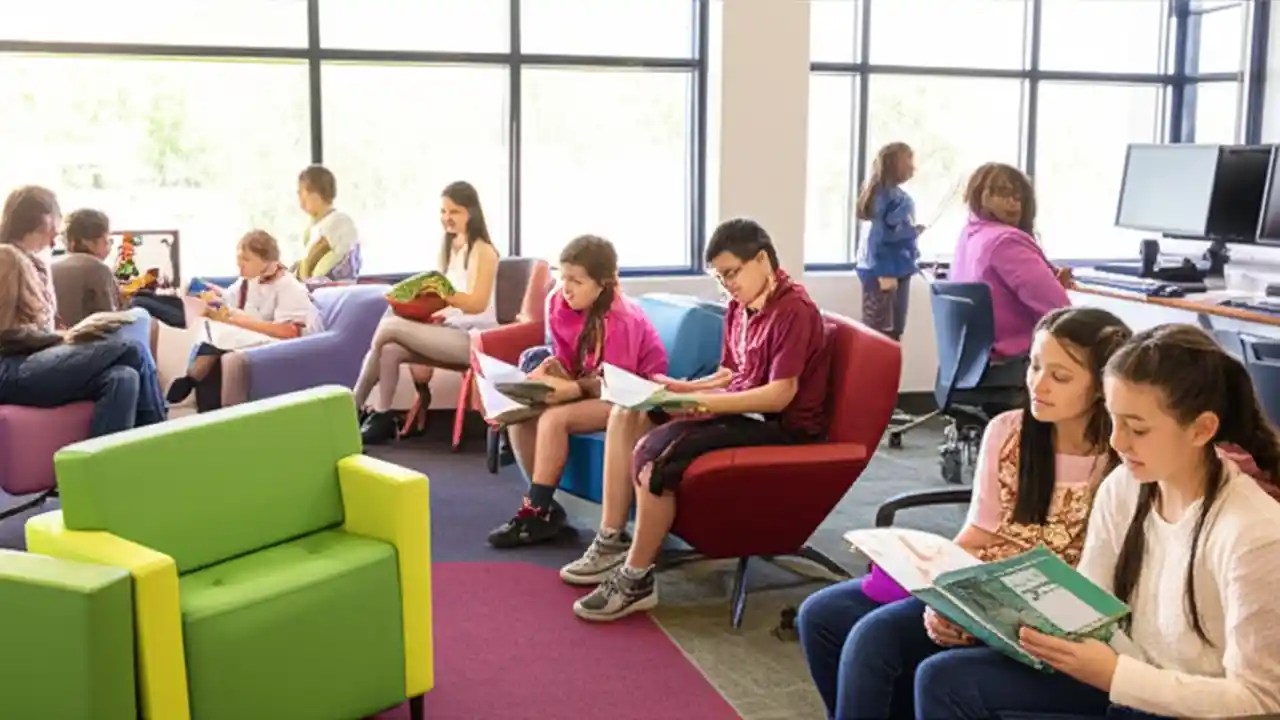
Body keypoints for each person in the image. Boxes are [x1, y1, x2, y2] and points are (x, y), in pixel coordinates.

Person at [914, 324, 1280, 720]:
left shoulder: (1253, 534)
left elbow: (1261, 701)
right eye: (1113, 419)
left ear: (1202, 429)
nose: (1117, 442)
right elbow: (1087, 606)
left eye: (1137, 428)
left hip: (1181, 702)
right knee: (942, 678)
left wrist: (1115, 675)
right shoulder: (1125, 485)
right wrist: (981, 616)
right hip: (1123, 680)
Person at [795, 306, 1132, 720]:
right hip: (984, 586)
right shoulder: (1009, 431)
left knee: (875, 638)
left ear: (1102, 386)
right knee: (822, 614)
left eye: (1060, 377)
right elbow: (979, 533)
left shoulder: (1124, 460)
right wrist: (944, 595)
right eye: (1034, 366)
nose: (1038, 385)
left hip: (1045, 614)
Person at [562, 218, 831, 622]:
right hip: (740, 406)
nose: (727, 285)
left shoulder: (793, 309)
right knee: (627, 413)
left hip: (776, 425)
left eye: (732, 273)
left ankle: (636, 578)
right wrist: (680, 389)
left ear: (762, 260)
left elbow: (780, 394)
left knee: (657, 459)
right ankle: (611, 539)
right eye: (720, 277)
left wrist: (706, 405)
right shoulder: (741, 307)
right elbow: (729, 372)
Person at [487, 235, 668, 548]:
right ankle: (546, 507)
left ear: (603, 284)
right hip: (593, 386)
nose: (565, 287)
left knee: (555, 420)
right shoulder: (559, 302)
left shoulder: (622, 319)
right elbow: (570, 360)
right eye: (562, 276)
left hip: (634, 397)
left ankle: (534, 511)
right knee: (521, 414)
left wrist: (571, 389)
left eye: (576, 280)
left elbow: (616, 385)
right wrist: (549, 370)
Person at [355, 180, 499, 445]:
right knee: (389, 347)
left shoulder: (484, 251)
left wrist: (444, 294)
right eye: (443, 212)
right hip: (450, 330)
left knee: (389, 328)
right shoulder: (451, 249)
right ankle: (382, 414)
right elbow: (451, 303)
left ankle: (352, 408)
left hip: (475, 340)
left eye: (454, 212)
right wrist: (430, 306)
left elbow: (477, 304)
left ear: (472, 212)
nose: (447, 218)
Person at [0, 245, 165, 436]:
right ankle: (162, 442)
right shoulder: (7, 258)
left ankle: (104, 464)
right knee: (130, 349)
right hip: (9, 371)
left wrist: (65, 336)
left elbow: (22, 339)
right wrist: (61, 337)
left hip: (21, 365)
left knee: (123, 377)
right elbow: (10, 338)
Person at [167, 230, 320, 412]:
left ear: (267, 261)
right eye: (239, 258)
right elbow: (230, 299)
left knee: (222, 335)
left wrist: (238, 322)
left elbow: (290, 332)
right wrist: (210, 296)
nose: (239, 264)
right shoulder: (249, 281)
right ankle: (195, 387)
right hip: (255, 335)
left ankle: (193, 379)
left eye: (245, 259)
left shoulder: (288, 287)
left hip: (283, 344)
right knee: (211, 329)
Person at [949, 163, 1071, 360]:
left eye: (1018, 197)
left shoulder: (971, 234)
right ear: (982, 196)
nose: (1013, 203)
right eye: (1003, 194)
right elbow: (1060, 312)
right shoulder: (1007, 241)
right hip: (1014, 364)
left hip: (974, 365)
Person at [855, 142, 924, 342]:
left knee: (887, 332)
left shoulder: (883, 194)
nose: (913, 168)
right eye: (909, 162)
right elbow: (880, 236)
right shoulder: (886, 196)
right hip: (886, 272)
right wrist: (883, 272)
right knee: (883, 334)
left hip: (890, 269)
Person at [52, 208, 121, 326]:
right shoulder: (99, 269)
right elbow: (109, 318)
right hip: (85, 339)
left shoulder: (52, 265)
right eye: (107, 239)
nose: (108, 245)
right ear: (90, 242)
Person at [294, 165, 361, 284]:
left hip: (333, 292)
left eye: (301, 192)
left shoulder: (338, 222)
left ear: (315, 194)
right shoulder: (314, 227)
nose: (299, 198)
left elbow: (312, 265)